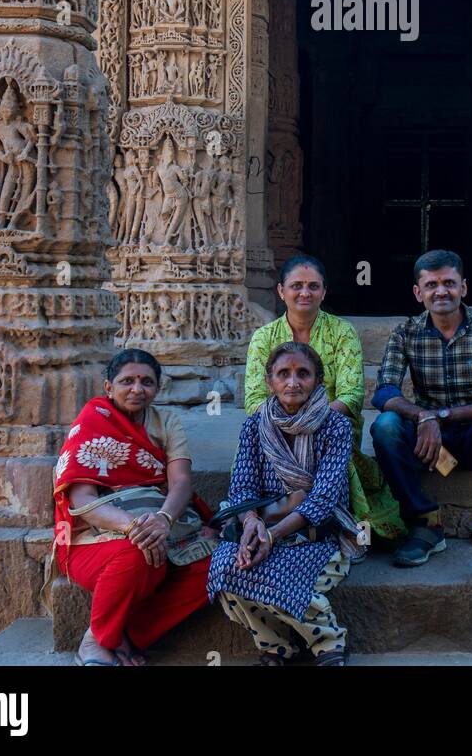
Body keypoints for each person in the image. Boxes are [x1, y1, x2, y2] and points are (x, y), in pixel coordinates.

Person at [370, 250, 472, 593]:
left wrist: (439, 416)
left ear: (464, 288)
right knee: (386, 426)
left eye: (449, 283)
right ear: (418, 292)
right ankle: (424, 523)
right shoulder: (406, 333)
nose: (441, 291)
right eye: (432, 285)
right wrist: (422, 416)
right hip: (430, 451)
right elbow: (383, 392)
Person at [53, 349, 215, 666]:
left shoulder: (166, 421)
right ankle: (97, 642)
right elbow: (82, 502)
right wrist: (134, 527)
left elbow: (181, 481)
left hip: (161, 525)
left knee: (221, 563)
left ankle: (129, 634)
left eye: (146, 382)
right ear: (108, 387)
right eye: (127, 381)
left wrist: (165, 519)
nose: (137, 389)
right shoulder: (91, 422)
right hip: (95, 539)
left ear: (158, 387)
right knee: (136, 552)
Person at [209, 341, 356, 665]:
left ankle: (329, 643)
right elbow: (242, 486)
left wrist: (272, 537)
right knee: (226, 569)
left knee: (282, 574)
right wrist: (251, 525)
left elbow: (323, 498)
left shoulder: (336, 426)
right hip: (263, 524)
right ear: (269, 381)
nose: (293, 382)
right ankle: (275, 646)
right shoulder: (255, 425)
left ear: (317, 380)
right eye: (283, 374)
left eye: (303, 374)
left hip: (318, 532)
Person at [245, 254, 403, 543]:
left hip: (330, 430)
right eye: (296, 286)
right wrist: (289, 428)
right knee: (249, 447)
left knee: (329, 449)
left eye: (313, 286)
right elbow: (254, 398)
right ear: (281, 291)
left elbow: (352, 394)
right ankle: (261, 521)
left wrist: (310, 425)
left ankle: (309, 524)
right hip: (275, 433)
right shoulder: (264, 337)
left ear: (324, 292)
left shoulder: (342, 332)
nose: (304, 293)